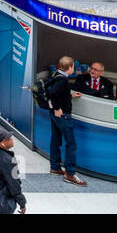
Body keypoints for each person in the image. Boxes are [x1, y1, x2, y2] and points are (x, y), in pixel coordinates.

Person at [47, 56, 86, 186]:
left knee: (56, 139)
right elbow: (53, 93)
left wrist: (70, 96)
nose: (74, 69)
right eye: (73, 67)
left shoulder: (56, 75)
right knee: (71, 144)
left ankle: (55, 167)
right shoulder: (62, 80)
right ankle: (70, 173)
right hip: (63, 116)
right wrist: (58, 108)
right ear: (70, 68)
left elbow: (58, 93)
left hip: (54, 114)